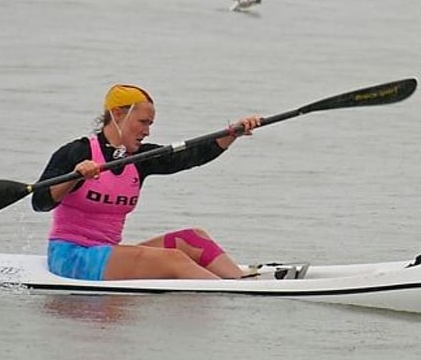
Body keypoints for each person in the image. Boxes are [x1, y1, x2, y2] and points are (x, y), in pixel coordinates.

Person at [32, 83, 261, 281]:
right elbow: (40, 202)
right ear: (118, 114)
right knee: (173, 260)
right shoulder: (76, 152)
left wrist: (233, 133)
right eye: (143, 122)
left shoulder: (139, 159)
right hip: (71, 258)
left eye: (150, 123)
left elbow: (192, 156)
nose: (147, 131)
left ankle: (242, 282)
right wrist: (75, 177)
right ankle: (228, 293)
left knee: (192, 238)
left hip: (108, 253)